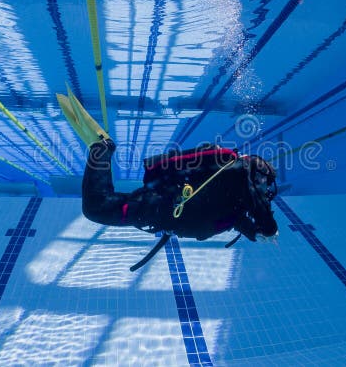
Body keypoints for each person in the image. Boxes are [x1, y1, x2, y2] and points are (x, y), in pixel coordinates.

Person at [56, 87, 279, 270]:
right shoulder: (252, 172)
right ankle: (102, 148)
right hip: (160, 204)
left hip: (162, 211)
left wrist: (254, 233)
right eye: (267, 187)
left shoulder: (235, 197)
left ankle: (101, 149)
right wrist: (269, 228)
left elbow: (237, 218)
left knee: (99, 205)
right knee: (96, 208)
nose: (266, 192)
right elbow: (256, 195)